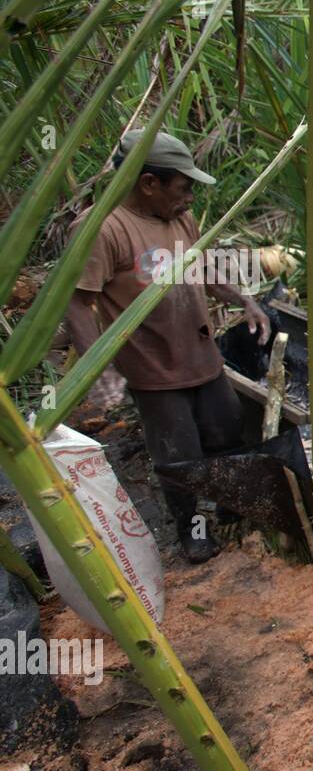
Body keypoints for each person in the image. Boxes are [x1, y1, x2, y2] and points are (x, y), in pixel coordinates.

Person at [65, 130, 271, 563]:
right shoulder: (103, 228)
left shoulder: (179, 217)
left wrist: (244, 300)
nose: (190, 197)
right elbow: (76, 302)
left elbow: (206, 267)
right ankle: (192, 531)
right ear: (148, 183)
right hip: (153, 368)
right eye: (184, 186)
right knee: (179, 457)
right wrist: (98, 370)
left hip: (202, 355)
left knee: (227, 429)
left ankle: (234, 511)